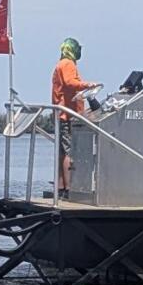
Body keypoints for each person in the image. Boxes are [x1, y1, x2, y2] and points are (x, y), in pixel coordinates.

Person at [51, 38, 99, 195]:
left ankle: (60, 186)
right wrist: (88, 85)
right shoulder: (67, 64)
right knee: (69, 152)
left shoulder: (61, 64)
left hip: (62, 113)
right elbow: (70, 82)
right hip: (67, 115)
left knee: (62, 152)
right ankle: (70, 188)